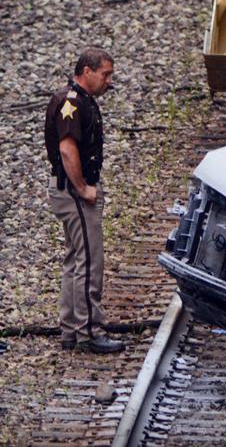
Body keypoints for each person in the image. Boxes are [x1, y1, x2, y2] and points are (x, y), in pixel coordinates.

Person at [44, 48, 124, 354]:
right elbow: (67, 149)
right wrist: (82, 188)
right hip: (73, 192)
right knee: (89, 262)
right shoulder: (72, 102)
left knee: (75, 261)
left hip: (67, 191)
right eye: (105, 74)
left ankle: (71, 329)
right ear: (86, 71)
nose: (108, 81)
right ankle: (89, 332)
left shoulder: (77, 99)